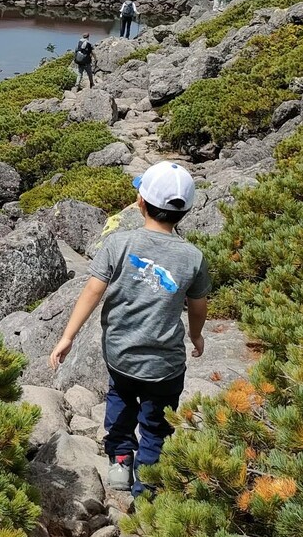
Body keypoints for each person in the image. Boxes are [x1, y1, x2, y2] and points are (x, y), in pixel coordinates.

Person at [49, 161, 210, 497]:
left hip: (121, 356)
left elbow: (92, 291)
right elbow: (197, 306)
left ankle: (120, 457)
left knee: (120, 401)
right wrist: (196, 336)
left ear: (140, 203)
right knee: (156, 426)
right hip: (165, 366)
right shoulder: (193, 257)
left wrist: (67, 337)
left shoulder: (118, 244)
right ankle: (147, 487)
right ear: (187, 211)